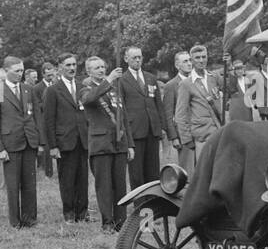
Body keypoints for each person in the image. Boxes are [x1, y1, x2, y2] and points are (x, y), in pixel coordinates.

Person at [0, 56, 39, 229]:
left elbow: (36, 115)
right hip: (10, 143)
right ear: (6, 70)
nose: (20, 73)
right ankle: (15, 221)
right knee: (13, 185)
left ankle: (30, 218)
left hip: (29, 141)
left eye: (22, 70)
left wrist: (39, 140)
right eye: (16, 70)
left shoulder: (28, 89)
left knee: (30, 184)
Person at [81, 56, 129, 234]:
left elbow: (123, 118)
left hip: (119, 143)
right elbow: (89, 100)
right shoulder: (85, 89)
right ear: (89, 71)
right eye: (97, 68)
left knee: (120, 185)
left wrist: (129, 145)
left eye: (103, 67)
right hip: (101, 145)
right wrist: (109, 80)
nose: (101, 70)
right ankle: (107, 222)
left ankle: (120, 222)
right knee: (105, 185)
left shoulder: (115, 90)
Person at [42, 54, 90, 222]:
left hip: (82, 141)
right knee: (67, 180)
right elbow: (49, 120)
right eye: (68, 65)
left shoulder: (82, 86)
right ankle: (69, 214)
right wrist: (53, 146)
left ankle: (82, 213)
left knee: (83, 179)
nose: (72, 68)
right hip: (65, 142)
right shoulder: (53, 90)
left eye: (74, 65)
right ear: (60, 67)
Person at [116, 46, 164, 190]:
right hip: (135, 132)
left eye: (139, 57)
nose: (138, 60)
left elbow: (158, 105)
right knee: (137, 173)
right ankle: (140, 205)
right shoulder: (122, 80)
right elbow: (121, 108)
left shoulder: (150, 78)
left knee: (154, 171)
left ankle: (154, 201)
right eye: (134, 58)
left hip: (152, 130)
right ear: (126, 59)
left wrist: (162, 127)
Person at [175, 44, 223, 163]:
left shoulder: (214, 77)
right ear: (192, 60)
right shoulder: (186, 84)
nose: (201, 60)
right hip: (202, 136)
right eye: (197, 58)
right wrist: (187, 139)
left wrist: (230, 63)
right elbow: (180, 115)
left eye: (204, 57)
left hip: (220, 132)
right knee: (204, 174)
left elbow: (231, 89)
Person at [160, 51, 195, 171]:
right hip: (183, 134)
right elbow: (168, 113)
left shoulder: (197, 81)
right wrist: (173, 137)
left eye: (190, 60)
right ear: (177, 65)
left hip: (200, 131)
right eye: (185, 61)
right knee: (188, 169)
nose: (189, 64)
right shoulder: (171, 85)